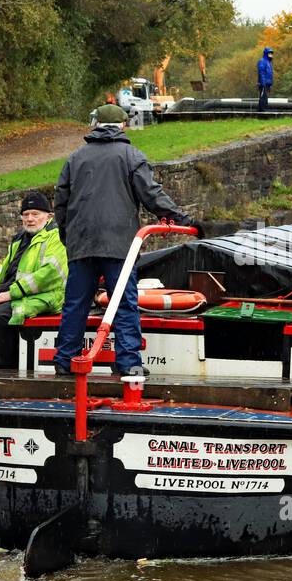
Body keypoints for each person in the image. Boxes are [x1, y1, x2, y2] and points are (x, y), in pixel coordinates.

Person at [51, 103, 192, 377]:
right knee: (124, 303)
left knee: (75, 303)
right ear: (122, 126)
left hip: (82, 244)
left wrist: (69, 237)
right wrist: (180, 218)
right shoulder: (130, 155)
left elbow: (61, 203)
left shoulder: (75, 158)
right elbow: (151, 194)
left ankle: (65, 359)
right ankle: (128, 363)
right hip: (119, 246)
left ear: (95, 126)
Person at [0, 191, 68, 371]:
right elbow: (0, 273)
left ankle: (6, 371)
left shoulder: (56, 236)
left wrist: (12, 293)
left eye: (35, 214)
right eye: (26, 215)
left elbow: (50, 275)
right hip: (14, 292)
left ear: (48, 216)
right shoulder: (20, 239)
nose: (30, 219)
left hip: (47, 296)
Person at [257, 47, 274, 112]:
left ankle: (261, 109)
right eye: (269, 53)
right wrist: (263, 82)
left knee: (265, 96)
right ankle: (262, 110)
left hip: (267, 83)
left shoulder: (269, 63)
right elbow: (261, 73)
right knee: (263, 96)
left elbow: (269, 74)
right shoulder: (262, 61)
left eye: (271, 54)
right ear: (266, 54)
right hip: (263, 83)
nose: (271, 55)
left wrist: (270, 84)